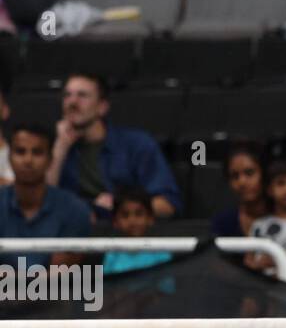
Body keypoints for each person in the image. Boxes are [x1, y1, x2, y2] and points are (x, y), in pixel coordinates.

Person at [47, 72, 182, 223]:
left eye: (82, 95)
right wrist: (60, 149)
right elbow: (41, 205)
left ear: (102, 107)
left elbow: (168, 204)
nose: (72, 102)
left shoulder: (136, 144)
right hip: (75, 235)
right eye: (67, 95)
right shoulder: (54, 148)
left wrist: (120, 206)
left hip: (127, 235)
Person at [0, 122, 92, 269]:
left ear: (50, 159)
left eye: (37, 152)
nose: (28, 160)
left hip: (53, 292)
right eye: (20, 151)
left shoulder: (75, 210)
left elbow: (58, 275)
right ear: (9, 158)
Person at [103, 185, 171, 275]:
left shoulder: (160, 252)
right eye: (125, 215)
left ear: (150, 218)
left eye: (139, 214)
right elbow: (107, 286)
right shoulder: (112, 254)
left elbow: (165, 287)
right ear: (115, 222)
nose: (132, 220)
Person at [209, 141, 271, 239]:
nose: (242, 182)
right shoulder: (223, 223)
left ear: (265, 174)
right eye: (234, 176)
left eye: (249, 173)